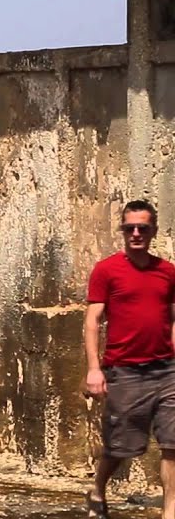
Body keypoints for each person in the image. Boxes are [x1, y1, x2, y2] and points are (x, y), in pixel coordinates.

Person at [83, 199, 175, 519]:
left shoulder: (167, 272)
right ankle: (98, 489)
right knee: (120, 447)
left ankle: (170, 511)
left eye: (143, 228)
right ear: (122, 230)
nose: (136, 233)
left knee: (172, 443)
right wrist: (95, 370)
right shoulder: (106, 270)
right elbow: (93, 320)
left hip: (167, 370)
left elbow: (172, 318)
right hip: (125, 371)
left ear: (153, 231)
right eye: (129, 227)